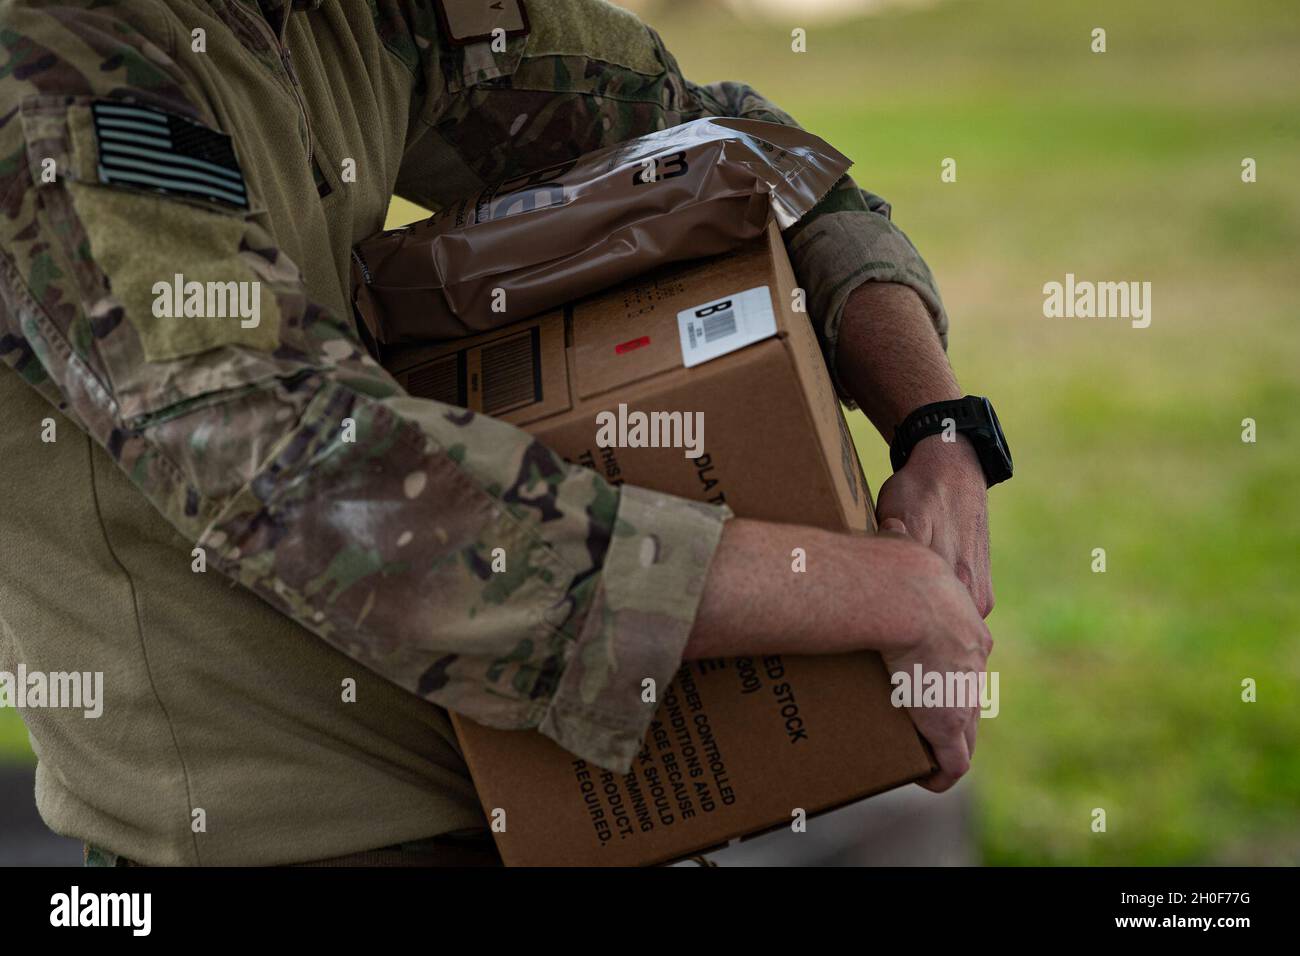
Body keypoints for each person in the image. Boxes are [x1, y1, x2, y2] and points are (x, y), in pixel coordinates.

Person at [0, 0, 1002, 866]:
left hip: (562, 791)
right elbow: (297, 471)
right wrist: (837, 588)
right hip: (285, 838)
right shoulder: (52, 65)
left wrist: (937, 427)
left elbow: (724, 148)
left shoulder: (348, 16)